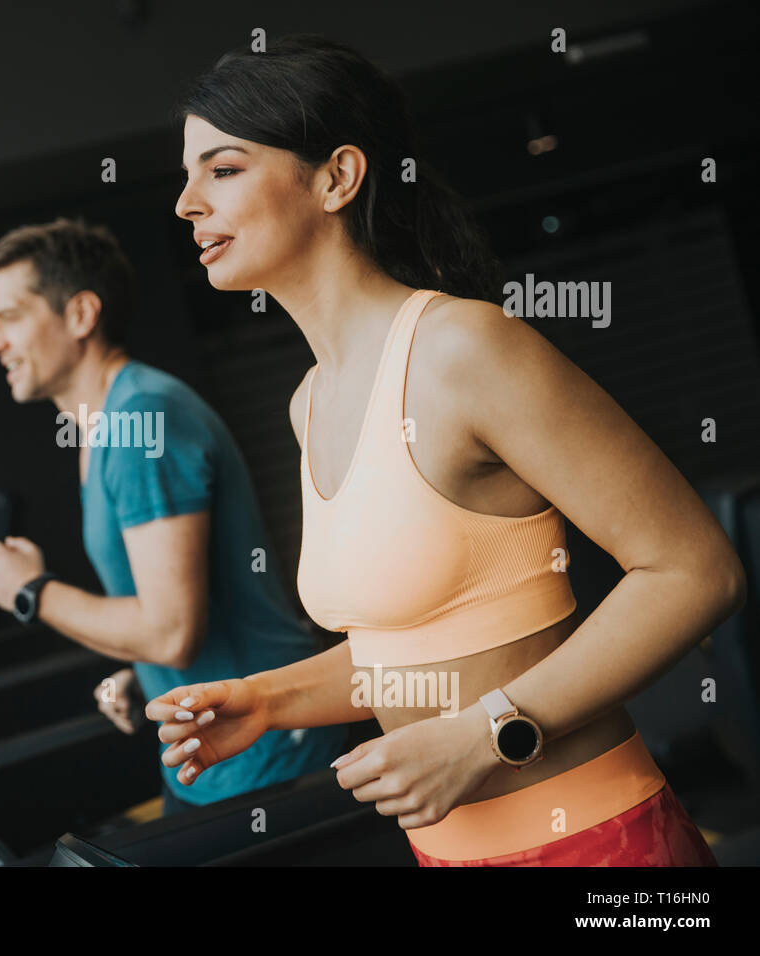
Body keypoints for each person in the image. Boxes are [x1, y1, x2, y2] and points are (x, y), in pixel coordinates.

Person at [147, 35, 745, 864]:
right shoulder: (309, 400)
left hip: (598, 845)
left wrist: (487, 736)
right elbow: (418, 650)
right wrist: (269, 700)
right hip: (448, 856)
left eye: (222, 169)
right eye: (186, 175)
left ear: (335, 177)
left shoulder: (464, 350)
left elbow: (695, 570)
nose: (185, 204)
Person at [0, 217, 347, 814]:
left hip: (270, 761)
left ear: (80, 314)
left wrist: (31, 591)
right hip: (213, 759)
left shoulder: (142, 421)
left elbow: (172, 631)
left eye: (9, 317)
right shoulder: (108, 425)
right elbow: (170, 624)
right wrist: (145, 676)